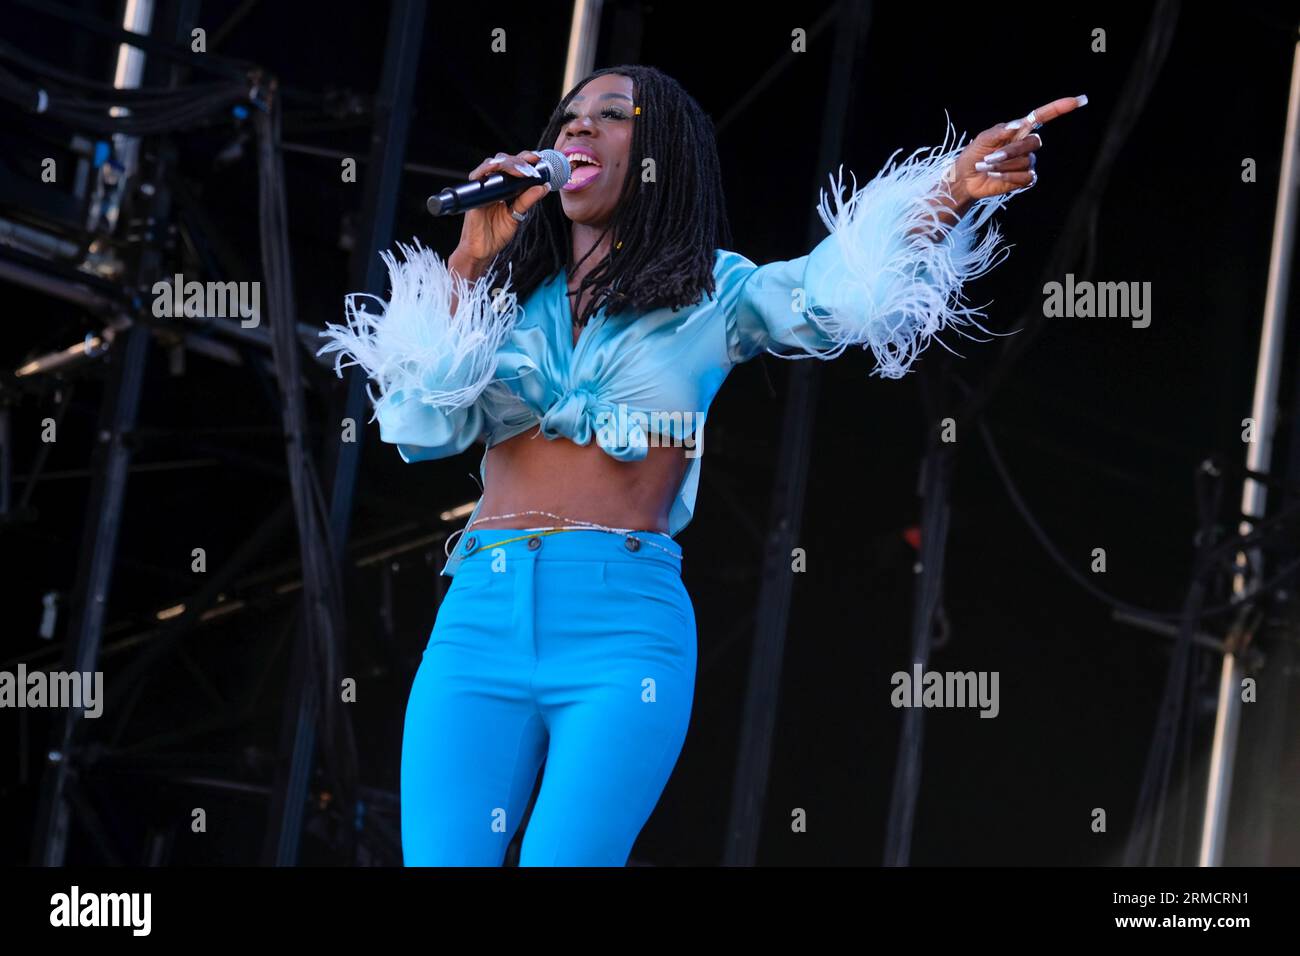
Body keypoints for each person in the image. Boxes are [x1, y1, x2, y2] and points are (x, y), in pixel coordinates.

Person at [318, 64, 1086, 866]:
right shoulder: (505, 302)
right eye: (569, 117)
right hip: (479, 610)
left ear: (662, 156)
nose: (577, 128)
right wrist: (470, 266)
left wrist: (952, 190)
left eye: (611, 115)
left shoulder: (714, 294)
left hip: (620, 625)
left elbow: (831, 292)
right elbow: (417, 427)